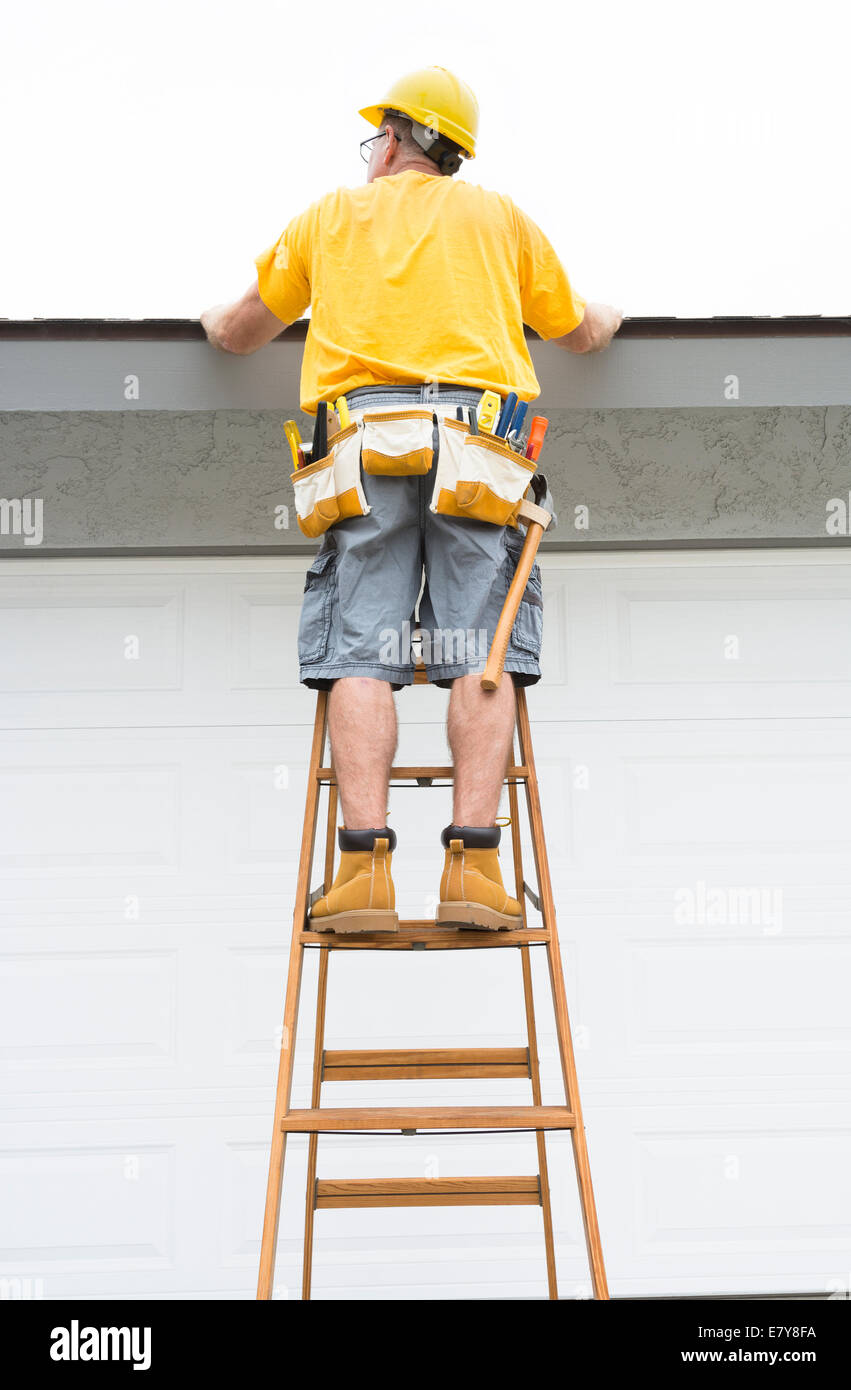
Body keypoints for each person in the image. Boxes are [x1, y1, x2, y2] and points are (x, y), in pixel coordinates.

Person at [201, 65, 622, 934]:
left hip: (362, 445)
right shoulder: (498, 218)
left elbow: (242, 329)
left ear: (394, 139)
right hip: (478, 447)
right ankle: (473, 869)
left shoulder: (328, 218)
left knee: (360, 645)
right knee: (484, 649)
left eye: (373, 139)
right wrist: (607, 319)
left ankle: (362, 876)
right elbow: (578, 330)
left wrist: (211, 323)